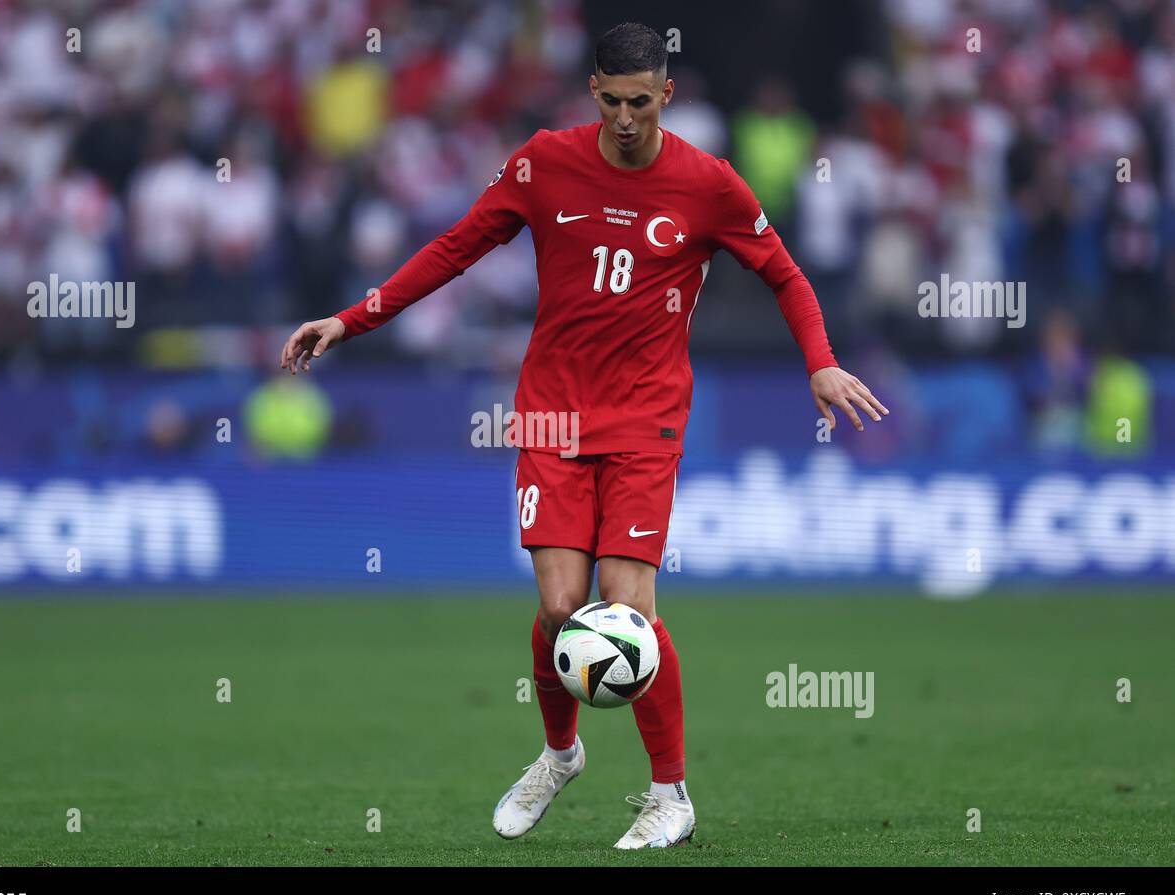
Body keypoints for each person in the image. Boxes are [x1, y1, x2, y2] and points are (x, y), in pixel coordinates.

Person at [279, 22, 889, 849]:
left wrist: (819, 363)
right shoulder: (543, 162)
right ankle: (559, 755)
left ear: (666, 95)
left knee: (627, 609)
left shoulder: (709, 184)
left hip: (646, 415)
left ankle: (670, 794)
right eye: (612, 101)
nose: (628, 118)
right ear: (592, 91)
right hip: (552, 411)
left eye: (643, 102)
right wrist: (352, 320)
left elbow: (783, 271)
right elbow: (457, 248)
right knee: (561, 609)